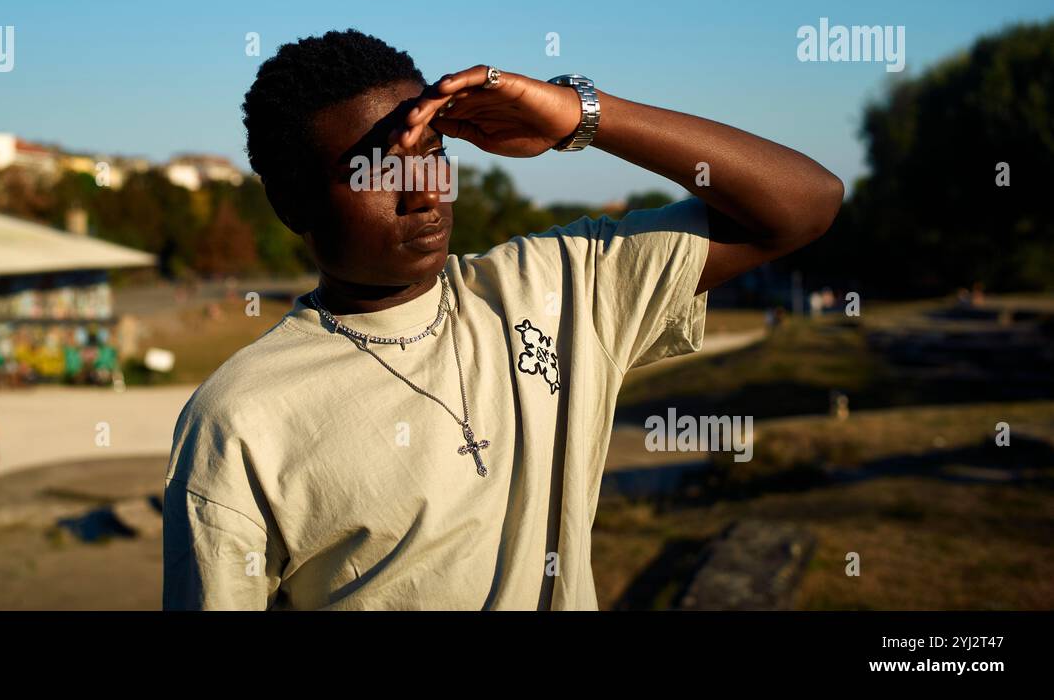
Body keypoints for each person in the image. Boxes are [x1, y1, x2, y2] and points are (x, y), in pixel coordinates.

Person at [163, 30, 844, 610]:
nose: (425, 191)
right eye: (376, 171)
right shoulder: (240, 416)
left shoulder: (559, 287)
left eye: (431, 151)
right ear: (291, 205)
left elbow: (806, 203)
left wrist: (585, 116)